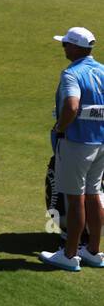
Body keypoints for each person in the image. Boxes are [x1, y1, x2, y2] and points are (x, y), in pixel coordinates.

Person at [39, 26, 104, 270]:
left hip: (76, 143)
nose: (64, 47)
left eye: (66, 44)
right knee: (94, 194)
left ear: (76, 47)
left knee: (76, 199)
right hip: (101, 143)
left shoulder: (71, 74)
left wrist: (60, 128)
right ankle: (94, 252)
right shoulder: (103, 70)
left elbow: (72, 106)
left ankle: (69, 255)